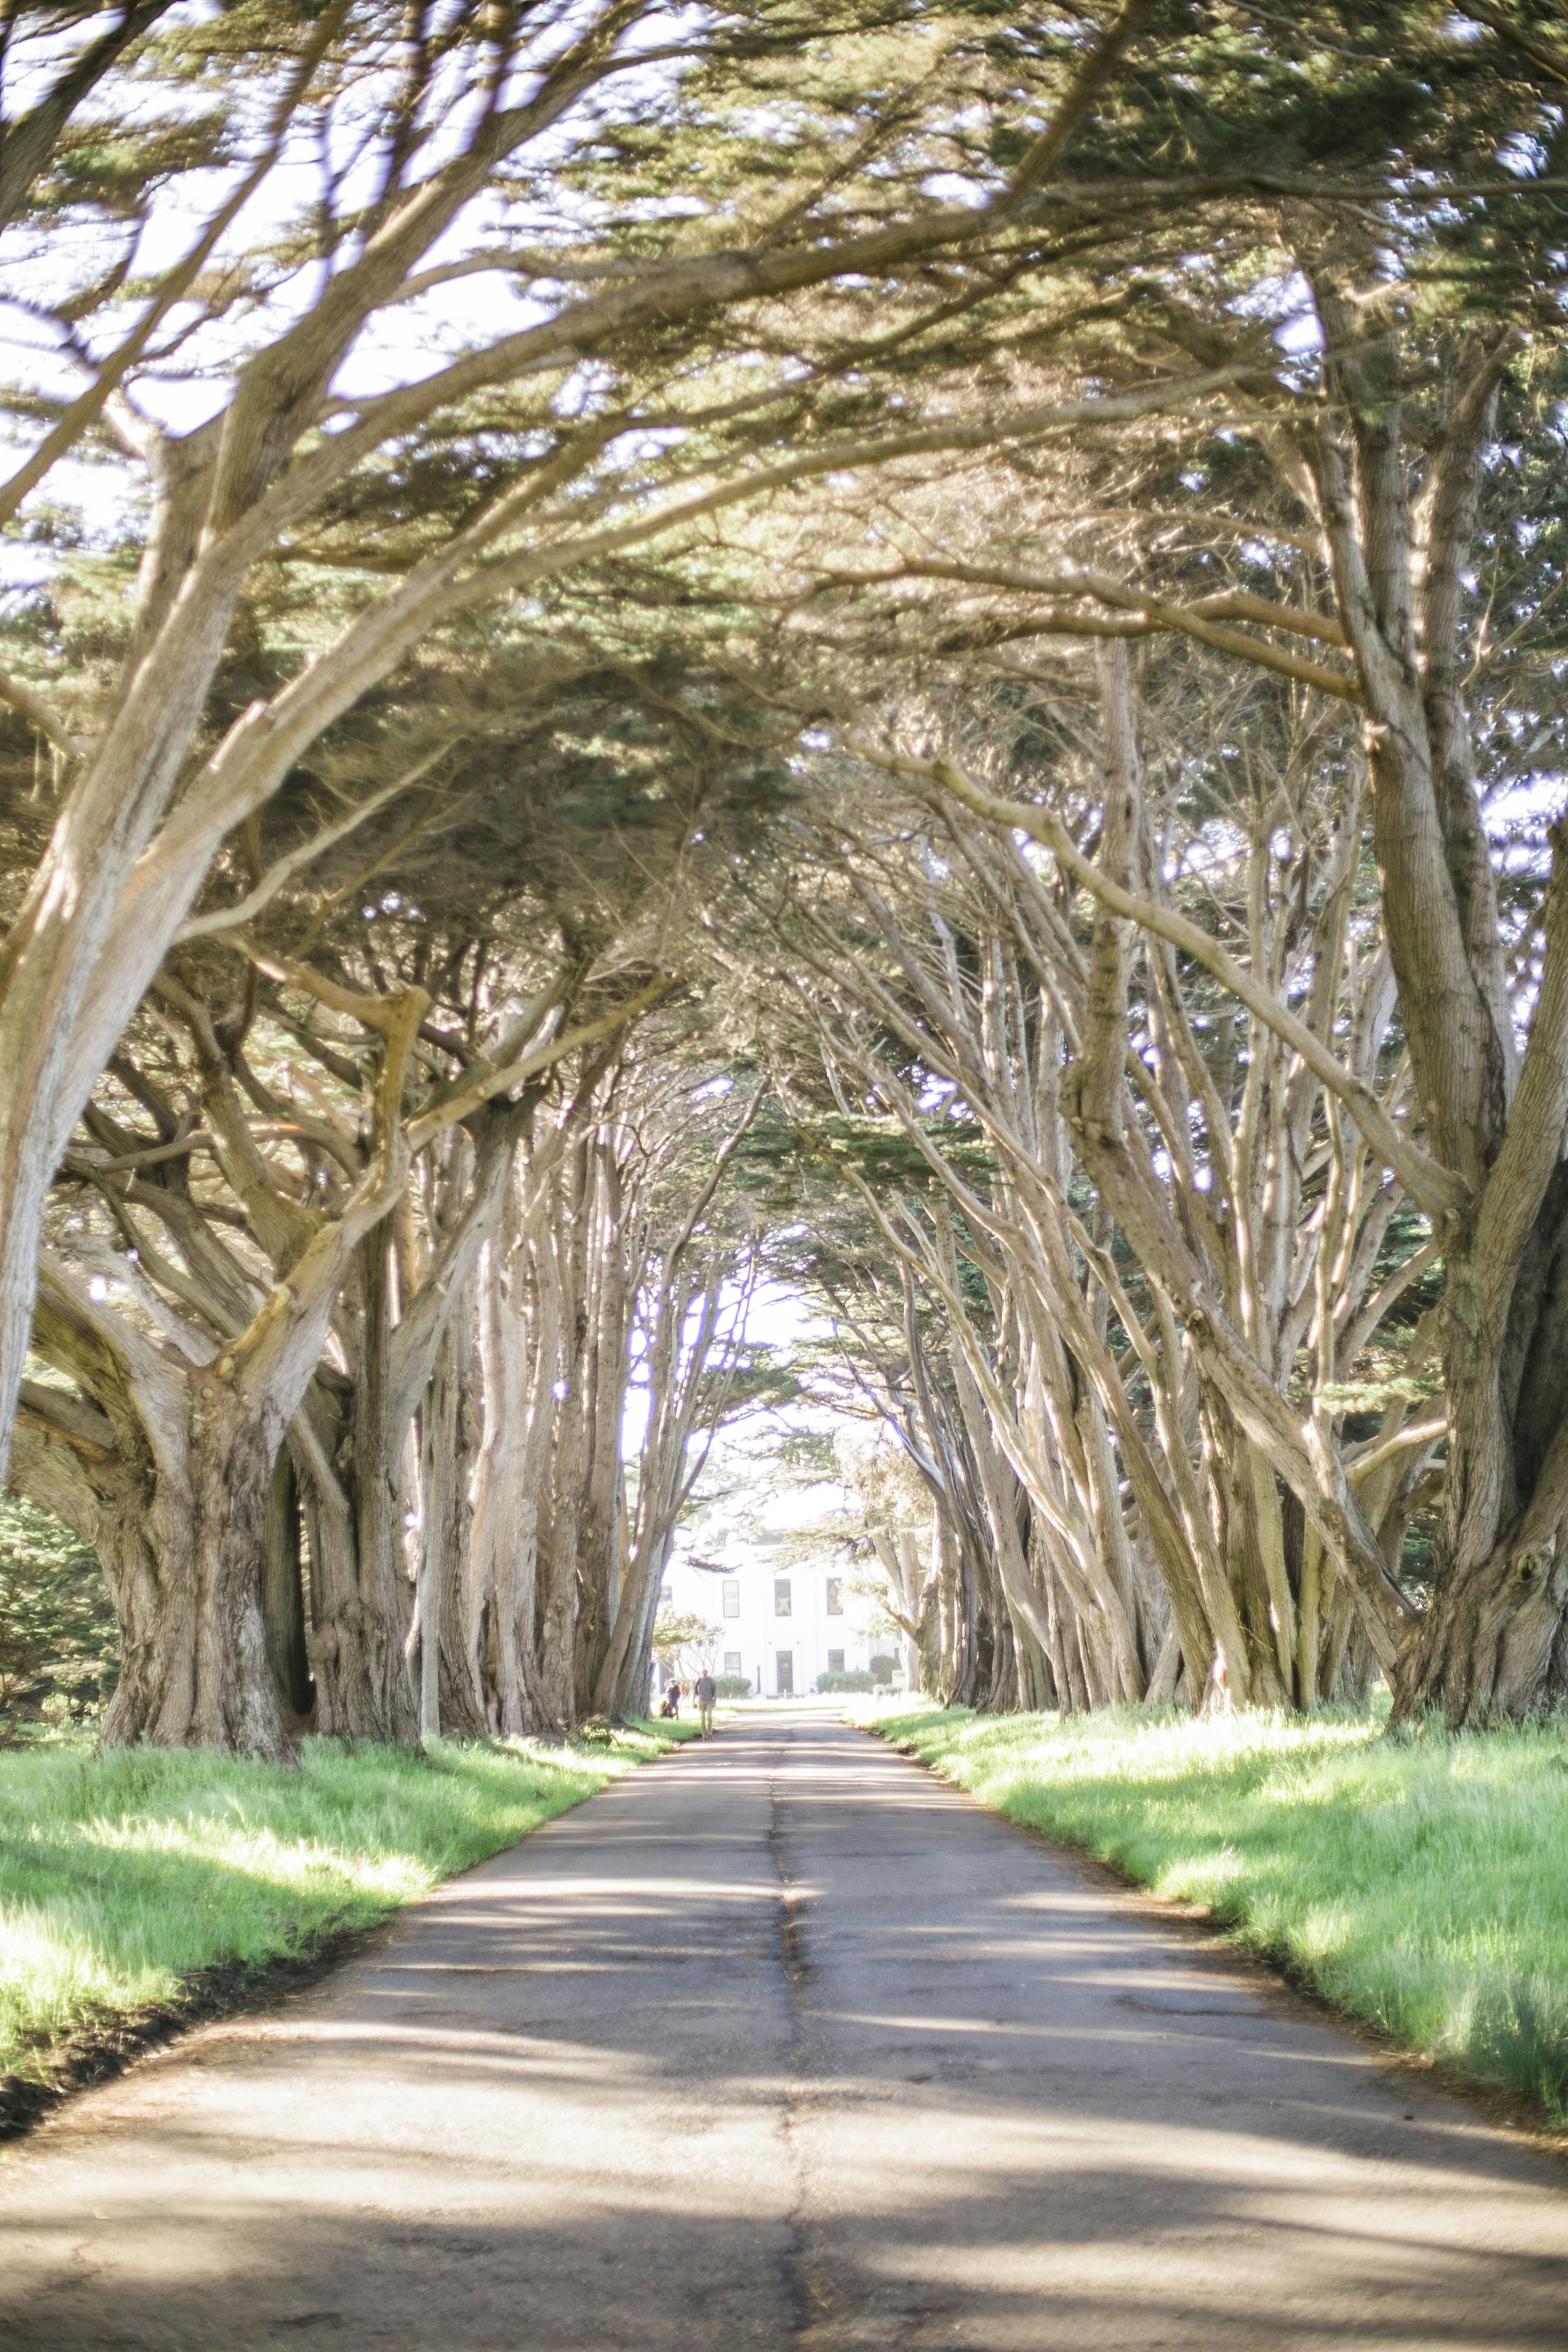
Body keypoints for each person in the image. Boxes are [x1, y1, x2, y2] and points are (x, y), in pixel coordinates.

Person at [694, 1668, 717, 1737]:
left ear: (707, 1674)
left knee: (709, 1717)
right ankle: (704, 1735)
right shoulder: (699, 1680)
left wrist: (715, 1702)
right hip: (701, 1701)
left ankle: (710, 1733)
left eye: (706, 1675)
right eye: (703, 1675)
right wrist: (695, 1700)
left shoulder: (711, 1680)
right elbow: (695, 1690)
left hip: (709, 1701)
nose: (704, 1676)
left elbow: (715, 1691)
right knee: (702, 1719)